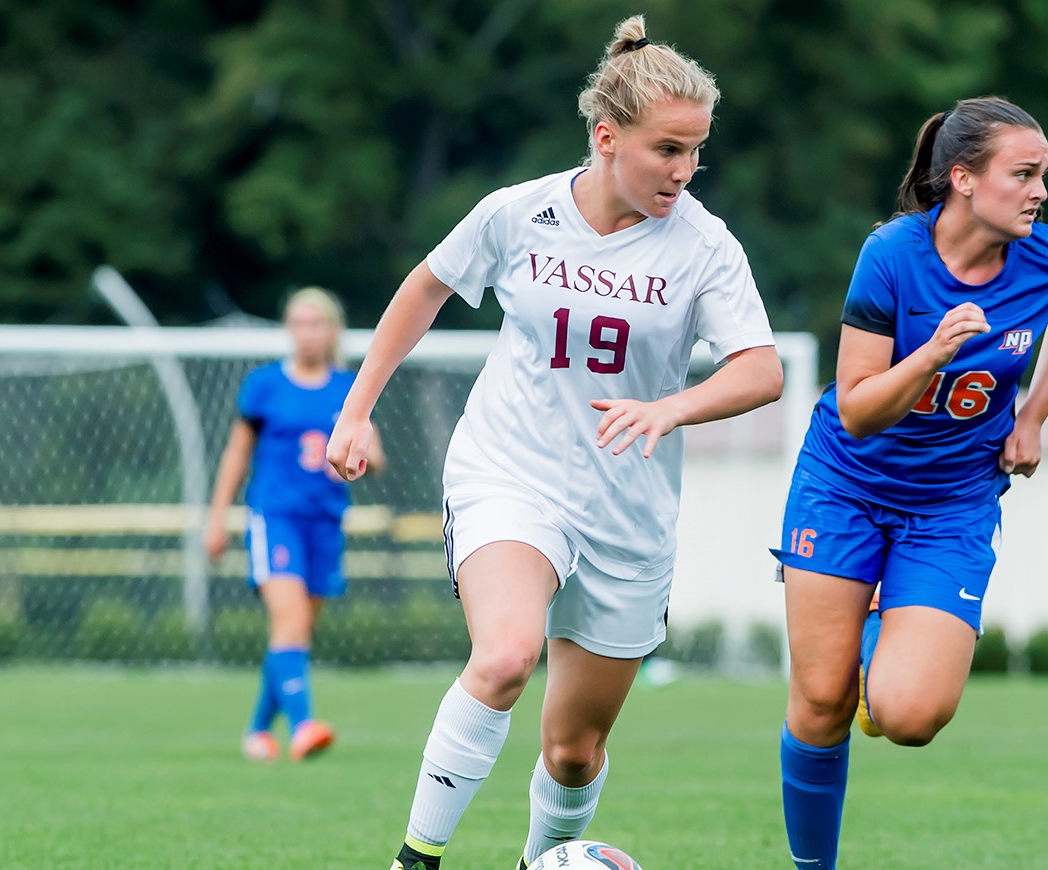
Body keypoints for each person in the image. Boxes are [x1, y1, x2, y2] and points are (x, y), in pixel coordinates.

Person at [321, 16, 782, 870]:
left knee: (574, 750)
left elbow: (761, 370)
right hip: (510, 470)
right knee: (502, 658)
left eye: (695, 153)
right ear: (608, 139)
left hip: (627, 508)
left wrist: (669, 410)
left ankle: (543, 861)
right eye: (666, 150)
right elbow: (424, 289)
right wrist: (356, 409)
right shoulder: (518, 212)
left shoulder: (704, 244)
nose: (683, 173)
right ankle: (413, 861)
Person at [771, 96, 1048, 868]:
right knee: (820, 703)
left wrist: (1033, 416)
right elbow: (856, 411)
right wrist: (929, 356)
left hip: (951, 505)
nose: (1040, 191)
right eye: (1023, 174)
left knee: (910, 716)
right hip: (845, 487)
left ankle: (887, 611)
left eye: (1043, 175)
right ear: (962, 179)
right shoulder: (891, 255)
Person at [205, 286, 386, 763]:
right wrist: (216, 519)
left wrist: (353, 456)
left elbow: (375, 453)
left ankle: (258, 730)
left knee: (297, 631)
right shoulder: (264, 385)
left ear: (332, 331)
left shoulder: (348, 388)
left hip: (324, 523)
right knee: (291, 620)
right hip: (275, 517)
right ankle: (304, 726)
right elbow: (237, 454)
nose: (307, 333)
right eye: (299, 323)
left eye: (316, 323)